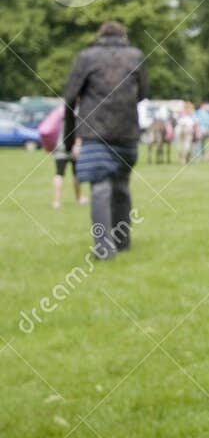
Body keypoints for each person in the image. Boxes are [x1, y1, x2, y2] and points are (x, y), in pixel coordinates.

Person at [62, 20, 148, 259]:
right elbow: (142, 94)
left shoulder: (86, 57)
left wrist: (69, 139)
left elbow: (70, 99)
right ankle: (123, 243)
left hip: (95, 133)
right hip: (127, 132)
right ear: (124, 36)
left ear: (100, 36)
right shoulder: (136, 56)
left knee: (100, 188)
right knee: (121, 186)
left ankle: (103, 248)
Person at [52, 138, 87, 209]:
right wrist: (78, 145)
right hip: (73, 148)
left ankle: (56, 202)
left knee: (59, 174)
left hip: (59, 148)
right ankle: (79, 198)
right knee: (76, 174)